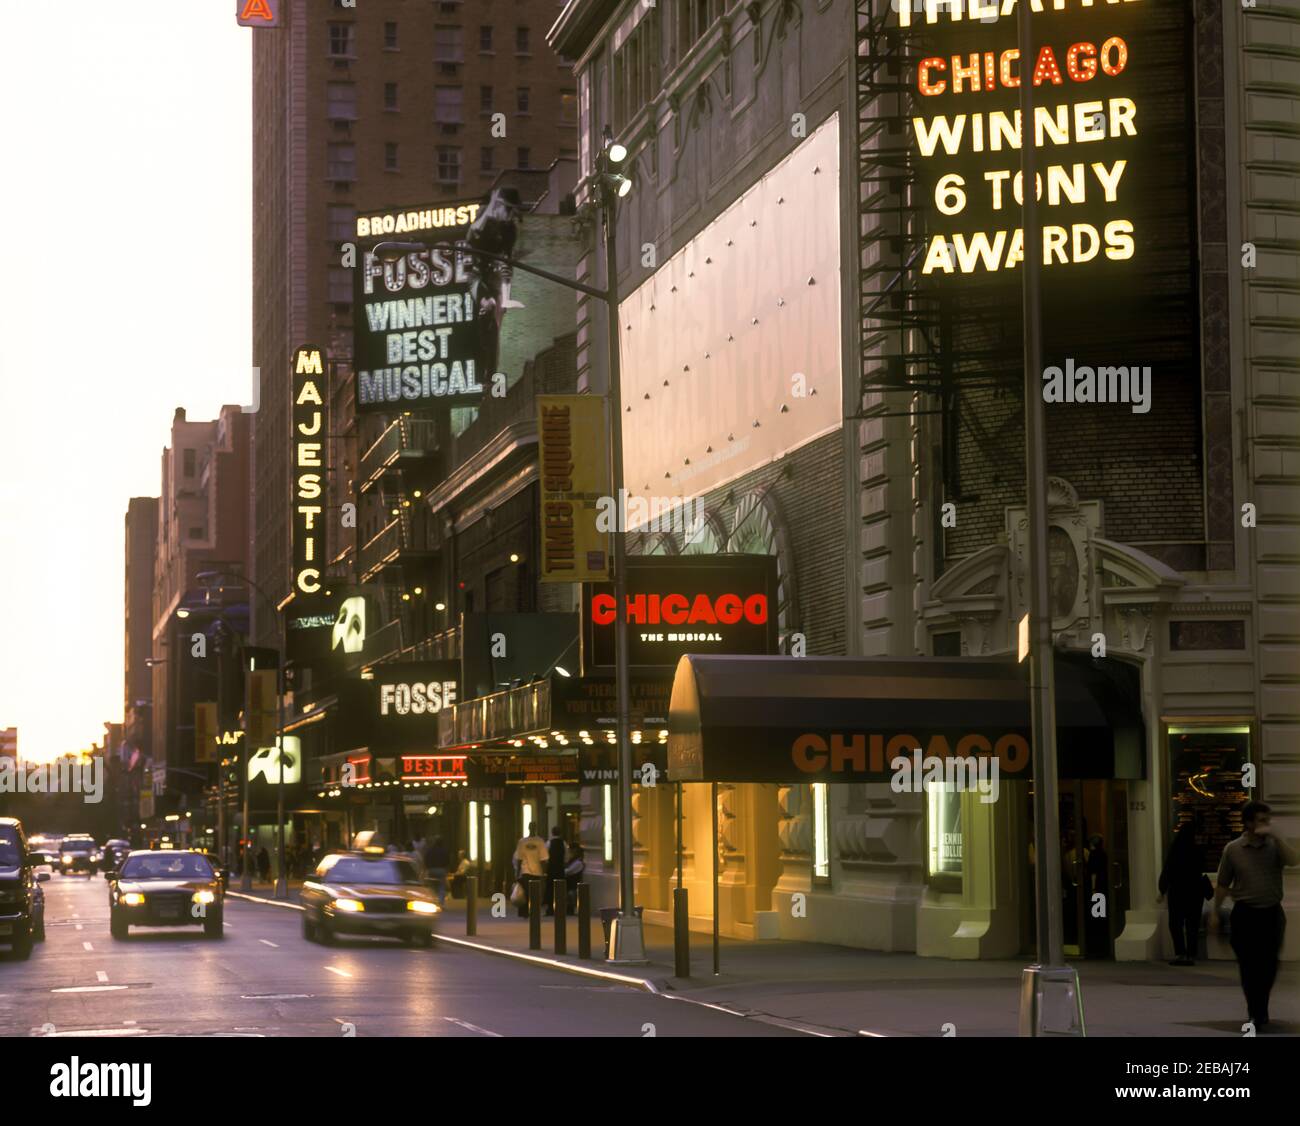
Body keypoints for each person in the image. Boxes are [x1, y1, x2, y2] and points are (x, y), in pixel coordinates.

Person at [1210, 801, 1299, 1030]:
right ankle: (1255, 1011)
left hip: (1271, 913)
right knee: (1249, 966)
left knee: (1269, 964)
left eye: (1268, 820)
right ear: (1248, 823)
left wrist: (1277, 838)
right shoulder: (1233, 849)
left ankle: (1261, 1006)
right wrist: (1215, 912)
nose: (1266, 825)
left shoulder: (1274, 846)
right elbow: (1222, 883)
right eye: (1261, 820)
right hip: (1245, 914)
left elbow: (1294, 860)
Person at [1159, 821, 1211, 965]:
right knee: (1192, 923)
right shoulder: (1198, 850)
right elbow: (1202, 867)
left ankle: (1180, 953)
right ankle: (1191, 954)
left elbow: (1168, 869)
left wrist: (1162, 889)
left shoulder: (1176, 848)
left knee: (1175, 923)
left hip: (1177, 891)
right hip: (1195, 891)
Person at [512, 822, 547, 917]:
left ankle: (524, 912)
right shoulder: (540, 841)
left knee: (526, 892)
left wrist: (517, 872)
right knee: (535, 894)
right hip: (537, 871)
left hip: (525, 871)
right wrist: (544, 873)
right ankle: (533, 912)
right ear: (536, 828)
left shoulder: (522, 842)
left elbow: (519, 858)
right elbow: (543, 859)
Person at [544, 825, 566, 916]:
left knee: (550, 888)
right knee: (560, 888)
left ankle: (550, 908)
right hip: (560, 869)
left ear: (552, 833)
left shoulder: (549, 843)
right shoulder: (564, 843)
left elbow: (545, 858)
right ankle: (559, 908)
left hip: (551, 869)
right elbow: (566, 857)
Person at [424, 836, 450, 906]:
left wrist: (427, 868)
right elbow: (447, 861)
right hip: (441, 870)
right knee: (442, 886)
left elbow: (426, 859)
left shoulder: (430, 850)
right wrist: (446, 870)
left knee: (432, 886)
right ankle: (440, 902)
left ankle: (433, 901)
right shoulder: (444, 850)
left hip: (431, 870)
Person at [564, 843, 586, 915]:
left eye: (570, 851)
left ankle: (571, 909)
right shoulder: (573, 861)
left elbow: (568, 871)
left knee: (571, 895)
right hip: (571, 884)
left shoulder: (578, 862)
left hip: (573, 885)